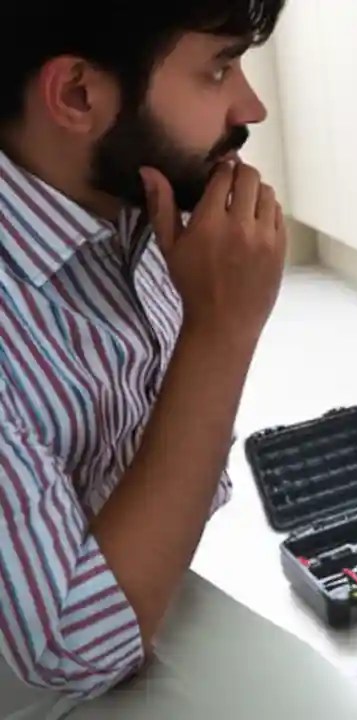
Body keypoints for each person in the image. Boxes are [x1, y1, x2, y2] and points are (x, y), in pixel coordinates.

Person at [0, 0, 290, 702]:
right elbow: (78, 649)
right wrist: (220, 334)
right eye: (218, 69)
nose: (252, 109)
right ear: (77, 94)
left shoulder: (129, 199)